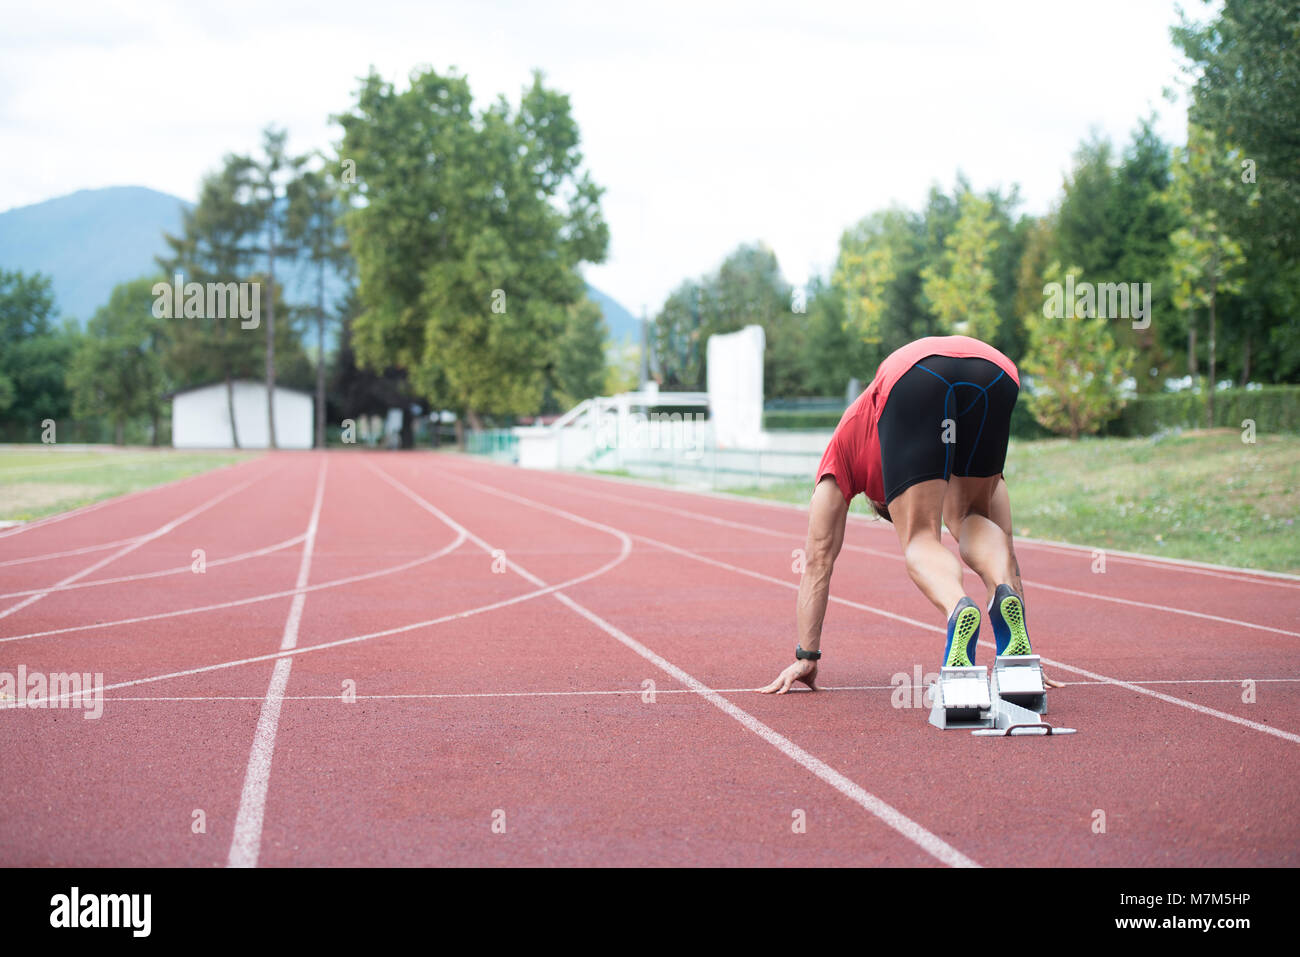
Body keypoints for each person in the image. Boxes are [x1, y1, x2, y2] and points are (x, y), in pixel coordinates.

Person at [758, 334, 1061, 695]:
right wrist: (1020, 664)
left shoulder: (842, 451)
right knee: (971, 518)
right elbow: (1005, 544)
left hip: (914, 374)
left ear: (881, 500)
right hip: (995, 370)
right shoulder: (939, 462)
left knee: (921, 536)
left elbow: (817, 560)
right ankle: (1012, 650)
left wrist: (806, 655)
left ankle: (957, 608)